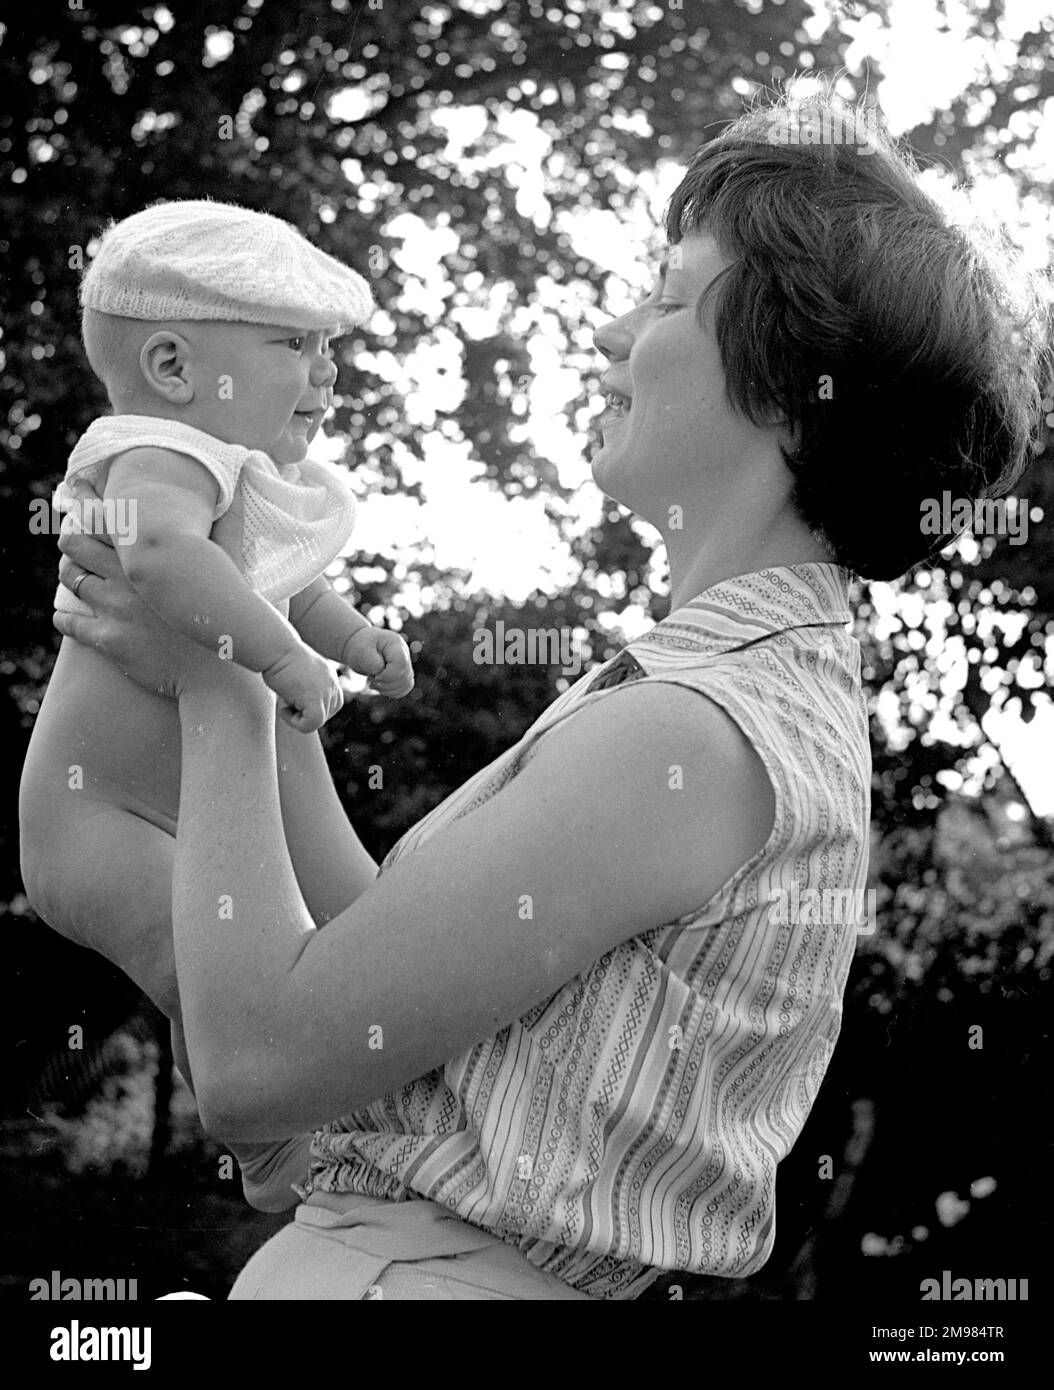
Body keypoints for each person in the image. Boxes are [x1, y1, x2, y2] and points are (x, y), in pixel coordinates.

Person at [41, 91, 1048, 1300]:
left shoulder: (691, 732)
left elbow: (256, 1061)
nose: (613, 333)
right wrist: (257, 639)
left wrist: (219, 691)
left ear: (793, 391)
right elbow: (381, 985)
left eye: (670, 299)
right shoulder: (708, 694)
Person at [18, 199, 414, 1209]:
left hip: (175, 813)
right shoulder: (152, 454)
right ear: (173, 368)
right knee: (208, 967)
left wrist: (351, 636)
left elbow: (285, 585)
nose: (324, 370)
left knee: (254, 946)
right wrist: (281, 659)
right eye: (293, 342)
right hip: (95, 819)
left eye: (327, 347)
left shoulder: (237, 475)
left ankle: (287, 1119)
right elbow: (165, 561)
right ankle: (271, 1143)